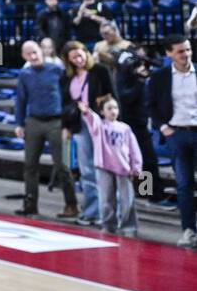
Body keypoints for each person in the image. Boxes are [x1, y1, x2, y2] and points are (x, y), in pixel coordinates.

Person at [14, 40, 79, 218]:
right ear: (24, 56)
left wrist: (68, 123)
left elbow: (69, 96)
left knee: (62, 165)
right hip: (34, 120)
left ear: (42, 52)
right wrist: (19, 123)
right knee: (30, 165)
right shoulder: (25, 74)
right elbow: (20, 100)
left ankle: (72, 205)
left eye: (35, 52)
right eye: (28, 54)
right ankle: (30, 204)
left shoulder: (56, 70)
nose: (33, 56)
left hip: (56, 121)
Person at [147, 35, 197, 248]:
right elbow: (151, 105)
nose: (185, 54)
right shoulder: (159, 77)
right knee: (184, 185)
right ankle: (189, 230)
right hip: (176, 134)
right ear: (168, 54)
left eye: (187, 50)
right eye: (180, 51)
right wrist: (163, 128)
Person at [61, 41, 113, 226]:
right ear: (68, 60)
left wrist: (110, 121)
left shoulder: (100, 71)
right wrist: (65, 127)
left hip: (100, 123)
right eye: (73, 57)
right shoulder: (67, 76)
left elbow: (111, 96)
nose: (78, 59)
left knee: (103, 168)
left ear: (86, 53)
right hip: (79, 124)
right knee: (86, 170)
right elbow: (65, 104)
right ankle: (91, 211)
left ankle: (107, 213)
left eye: (80, 54)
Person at [79, 95, 142, 237]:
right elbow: (91, 119)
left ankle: (129, 227)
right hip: (104, 168)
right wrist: (86, 112)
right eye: (109, 108)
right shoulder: (99, 127)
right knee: (107, 199)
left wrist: (136, 167)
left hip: (123, 168)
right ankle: (109, 225)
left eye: (115, 108)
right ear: (102, 112)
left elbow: (134, 149)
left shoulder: (125, 128)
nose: (113, 111)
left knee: (127, 200)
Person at [114, 45, 165, 205]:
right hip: (130, 124)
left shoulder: (137, 75)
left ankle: (146, 193)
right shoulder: (123, 75)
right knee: (142, 159)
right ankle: (147, 193)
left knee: (146, 160)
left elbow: (157, 64)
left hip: (141, 122)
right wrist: (140, 81)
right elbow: (125, 97)